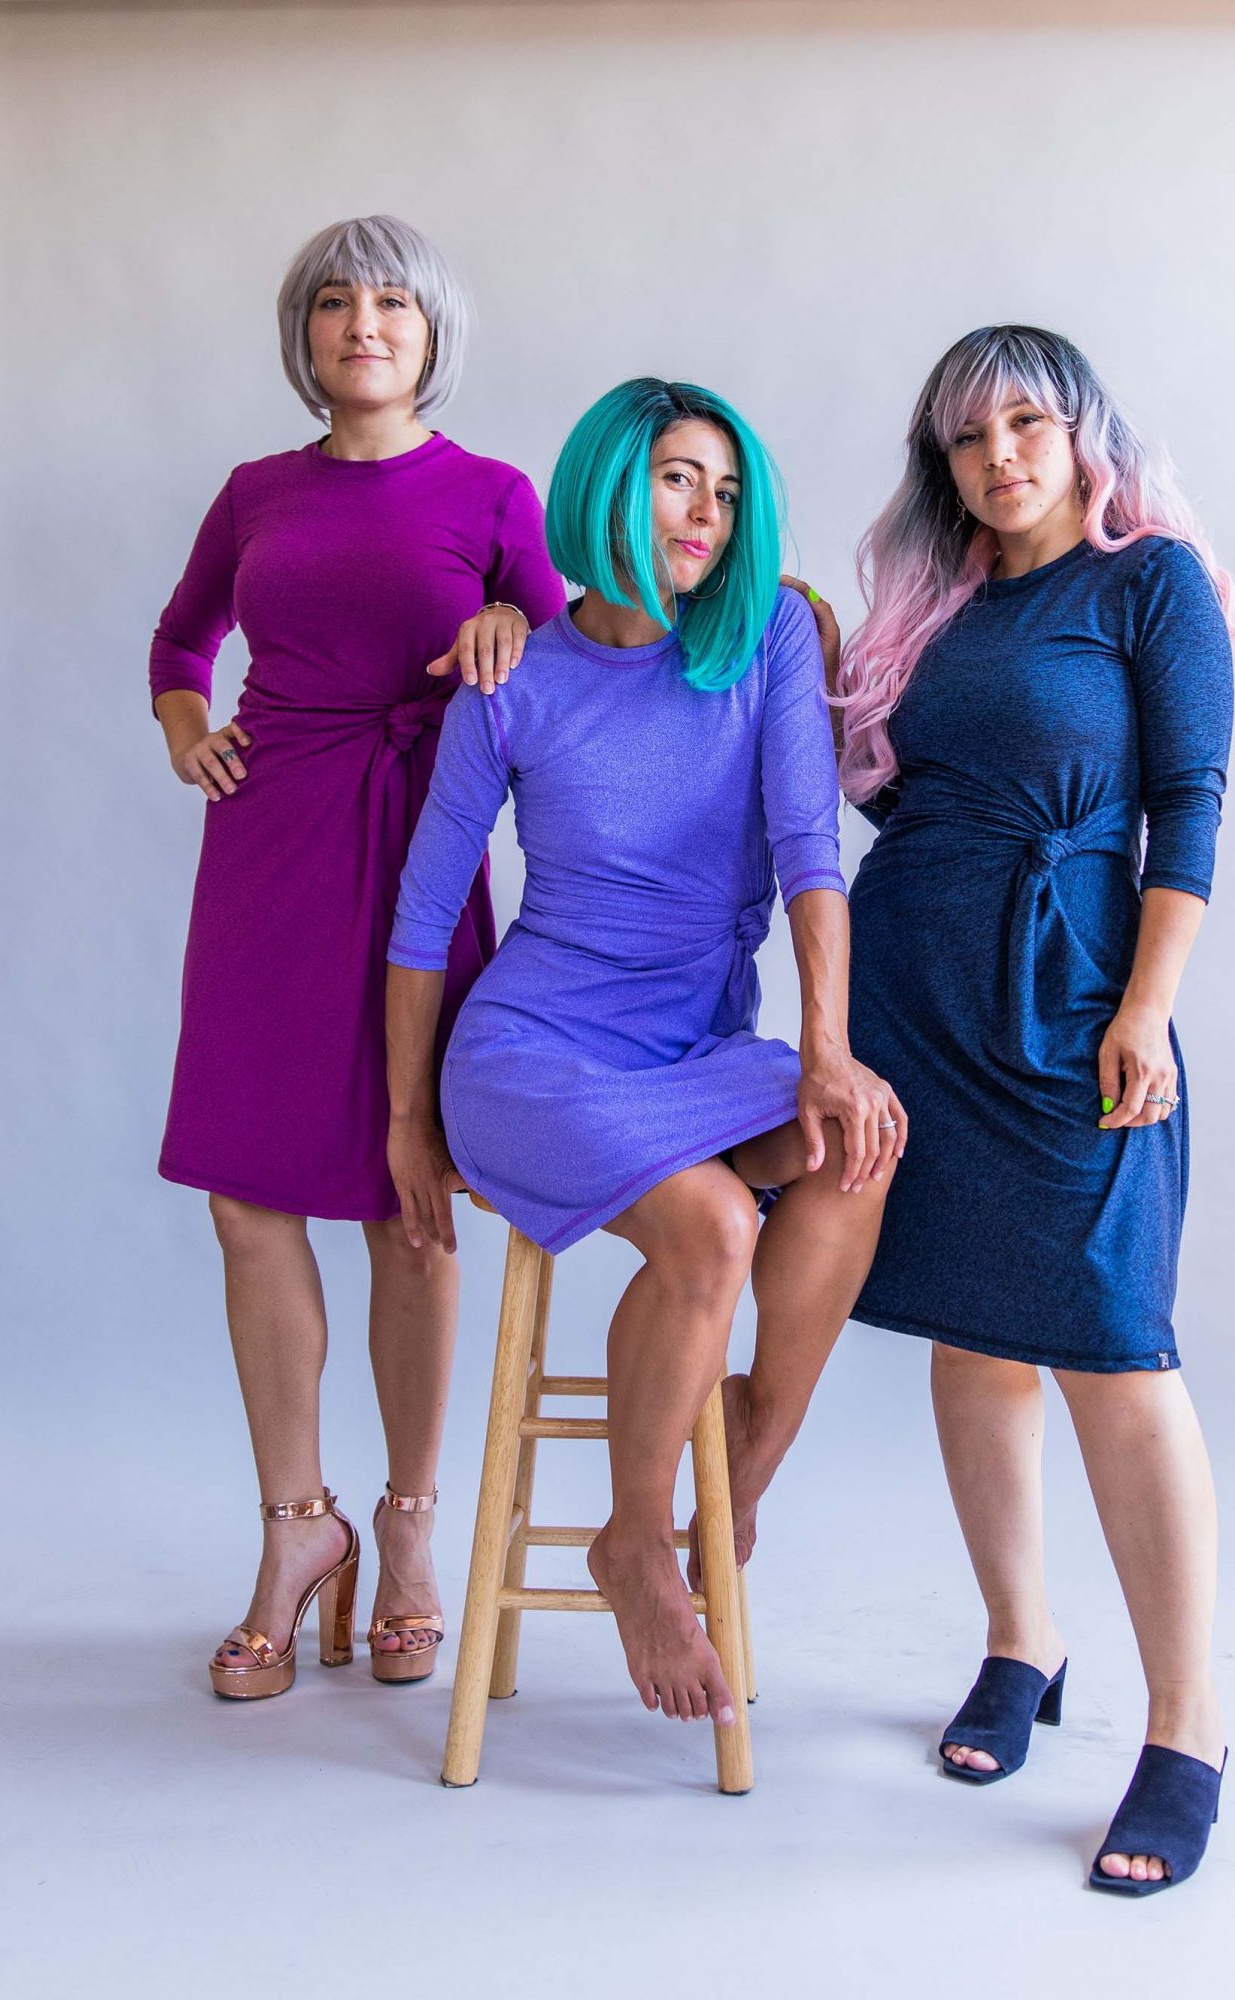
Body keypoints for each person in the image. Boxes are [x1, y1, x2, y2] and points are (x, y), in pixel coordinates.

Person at [386, 378, 905, 1726]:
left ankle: (749, 1444)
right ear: (612, 482)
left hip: (696, 1047)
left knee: (859, 1142)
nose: (706, 512)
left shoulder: (768, 637)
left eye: (727, 492)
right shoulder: (512, 675)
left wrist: (829, 1051)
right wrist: (405, 1122)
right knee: (716, 1228)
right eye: (680, 478)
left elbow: (811, 850)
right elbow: (424, 917)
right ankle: (633, 1538)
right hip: (534, 1057)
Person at [835, 325, 1235, 1894]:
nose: (999, 455)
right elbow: (908, 798)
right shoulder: (939, 610)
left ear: (1083, 436)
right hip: (919, 1006)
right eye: (967, 435)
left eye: (1026, 422)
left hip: (1074, 1004)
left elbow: (1188, 804)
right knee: (977, 1334)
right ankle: (1022, 1645)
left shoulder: (1152, 585)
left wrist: (1144, 1006)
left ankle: (1189, 1728)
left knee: (1115, 1351)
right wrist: (822, 666)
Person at [149, 215, 563, 1699]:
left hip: (422, 853)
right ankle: (296, 1527)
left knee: (414, 1202)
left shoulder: (497, 492)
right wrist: (190, 730)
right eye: (335, 302)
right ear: (305, 335)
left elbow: (577, 666)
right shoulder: (256, 492)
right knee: (247, 1199)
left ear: (432, 333)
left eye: (393, 301)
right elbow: (180, 643)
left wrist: (512, 616)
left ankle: (408, 1525)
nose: (364, 323)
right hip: (266, 853)